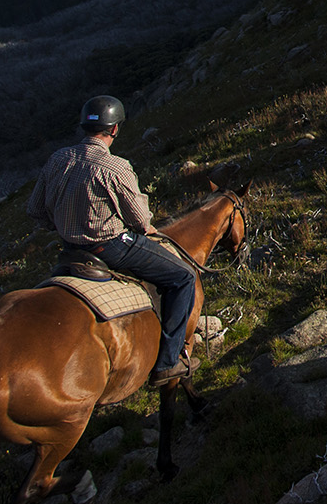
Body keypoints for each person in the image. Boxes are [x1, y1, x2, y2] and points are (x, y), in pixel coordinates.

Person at [27, 95, 199, 386]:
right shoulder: (115, 167)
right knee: (183, 276)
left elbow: (35, 209)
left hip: (69, 251)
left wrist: (59, 224)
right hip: (111, 247)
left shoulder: (58, 159)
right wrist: (144, 226)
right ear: (115, 129)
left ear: (84, 126)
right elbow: (139, 221)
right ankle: (167, 362)